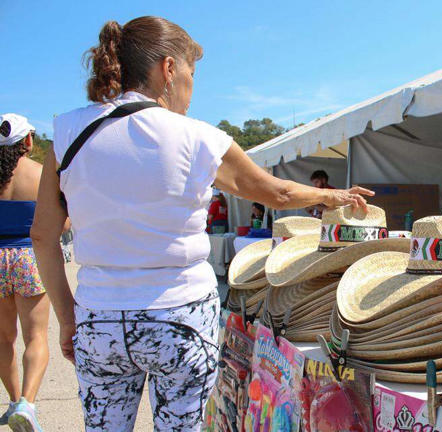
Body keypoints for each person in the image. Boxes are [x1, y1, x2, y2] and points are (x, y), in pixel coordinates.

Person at [31, 16, 373, 432]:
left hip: (99, 318)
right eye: (191, 74)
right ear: (168, 68)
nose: (192, 90)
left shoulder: (68, 132)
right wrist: (329, 196)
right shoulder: (197, 138)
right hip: (179, 315)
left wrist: (68, 317)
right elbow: (277, 194)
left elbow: (43, 236)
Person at [0, 114, 48, 431]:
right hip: (28, 257)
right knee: (36, 336)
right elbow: (62, 224)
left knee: (4, 338)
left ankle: (13, 400)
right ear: (27, 140)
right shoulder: (40, 174)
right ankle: (27, 404)